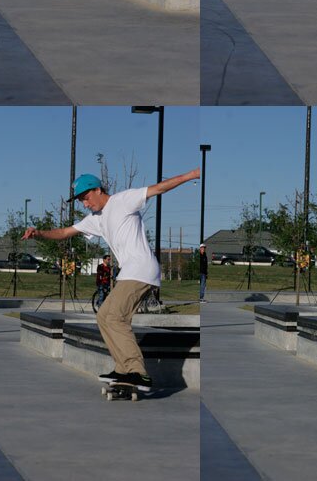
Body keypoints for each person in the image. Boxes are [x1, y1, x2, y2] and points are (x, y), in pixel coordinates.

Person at [23, 168, 199, 392]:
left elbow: (159, 188)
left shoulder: (123, 200)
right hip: (130, 272)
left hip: (141, 269)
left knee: (114, 316)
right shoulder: (95, 220)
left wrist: (191, 175)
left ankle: (138, 373)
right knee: (105, 317)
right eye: (81, 201)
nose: (85, 205)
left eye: (86, 198)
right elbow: (65, 232)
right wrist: (38, 233)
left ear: (98, 190)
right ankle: (124, 369)